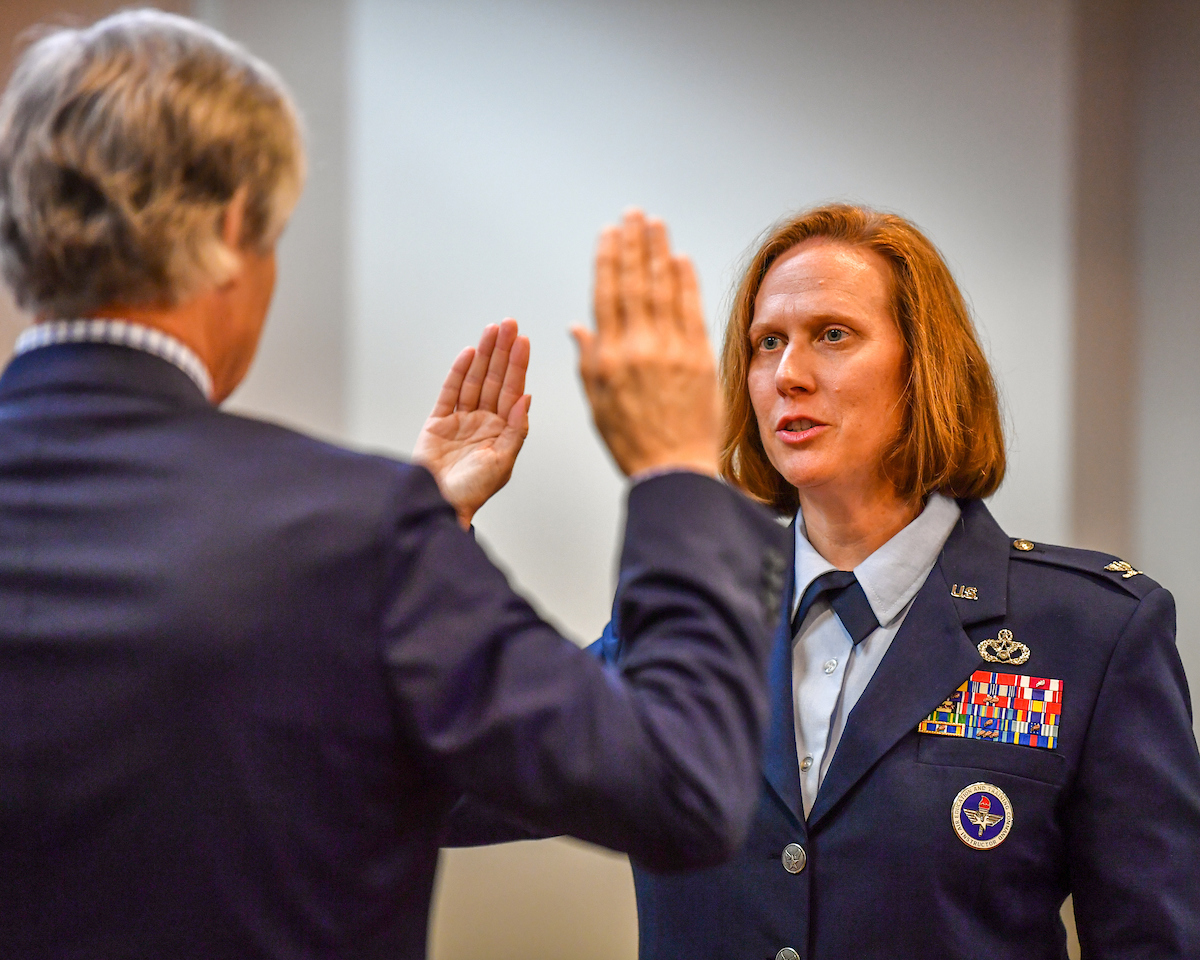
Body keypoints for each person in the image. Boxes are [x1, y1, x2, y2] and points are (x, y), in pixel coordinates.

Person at [0, 11, 789, 960]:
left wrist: (419, 532)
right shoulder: (354, 534)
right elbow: (682, 790)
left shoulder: (360, 537)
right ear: (234, 226)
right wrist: (676, 470)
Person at [447, 203, 1200, 958]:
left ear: (924, 367)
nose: (789, 375)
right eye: (767, 343)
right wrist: (430, 528)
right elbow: (451, 786)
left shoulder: (1091, 631)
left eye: (832, 335)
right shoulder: (695, 609)